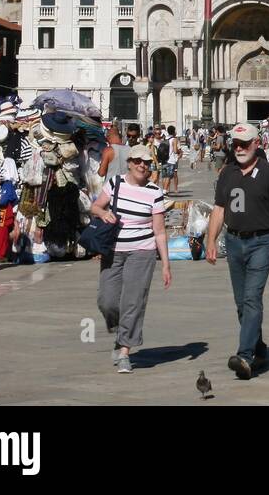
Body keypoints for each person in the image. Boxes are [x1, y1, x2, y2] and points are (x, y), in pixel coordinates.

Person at [204, 123, 269, 380]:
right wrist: (211, 240)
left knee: (252, 299)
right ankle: (259, 349)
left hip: (262, 242)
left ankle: (244, 355)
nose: (239, 148)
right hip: (233, 241)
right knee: (241, 303)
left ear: (257, 143)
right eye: (236, 144)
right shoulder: (227, 172)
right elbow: (219, 209)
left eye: (244, 143)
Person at [91, 144, 172, 373]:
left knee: (133, 301)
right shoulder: (115, 183)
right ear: (129, 162)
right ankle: (120, 331)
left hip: (142, 251)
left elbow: (159, 231)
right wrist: (104, 212)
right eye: (137, 161)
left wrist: (165, 263)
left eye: (146, 162)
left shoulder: (155, 192)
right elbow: (95, 206)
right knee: (106, 300)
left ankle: (125, 350)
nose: (141, 165)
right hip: (113, 250)